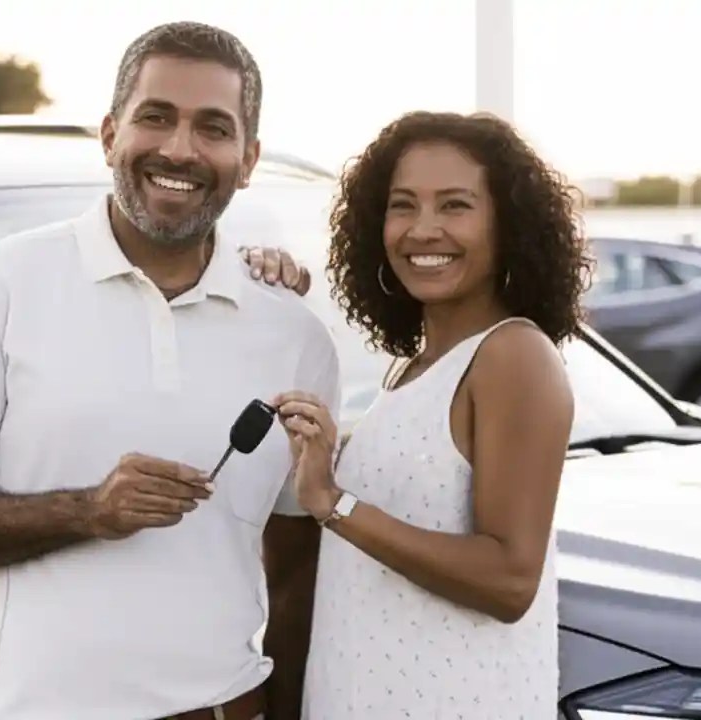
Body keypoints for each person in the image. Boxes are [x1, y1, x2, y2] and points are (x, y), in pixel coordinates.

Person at [0, 21, 335, 720]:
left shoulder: (295, 336)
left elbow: (296, 571)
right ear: (109, 135)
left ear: (247, 160)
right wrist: (90, 510)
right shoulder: (0, 286)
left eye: (213, 129)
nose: (180, 149)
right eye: (156, 117)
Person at [270, 110, 590, 718]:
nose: (423, 229)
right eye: (402, 205)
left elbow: (509, 579)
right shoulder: (411, 370)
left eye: (455, 206)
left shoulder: (514, 356)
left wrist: (334, 502)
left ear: (508, 225)